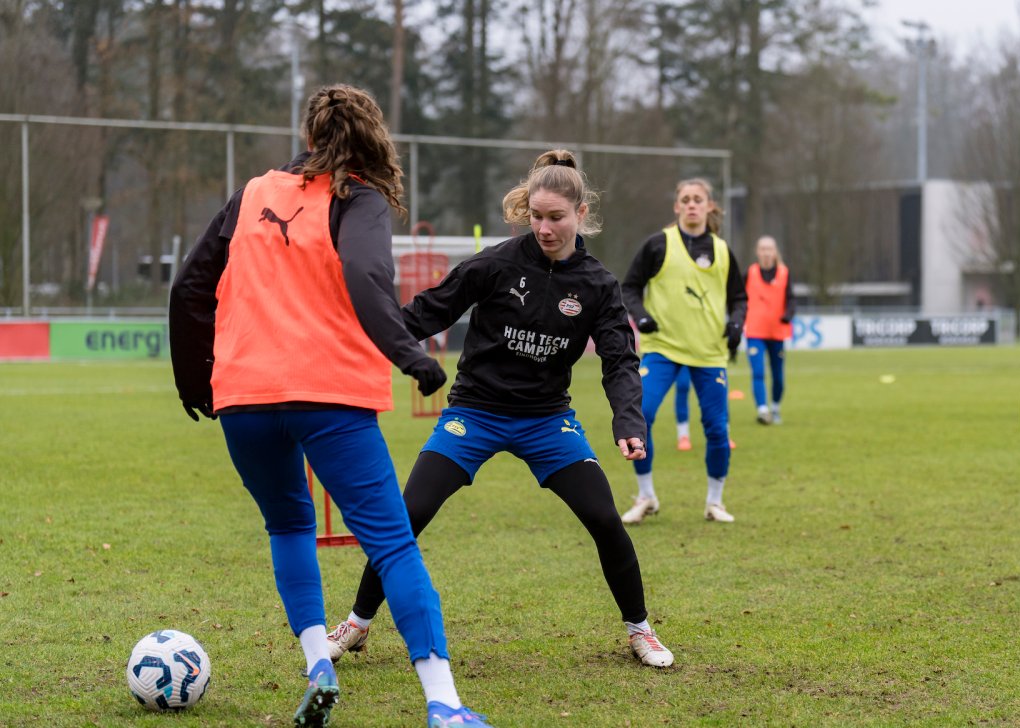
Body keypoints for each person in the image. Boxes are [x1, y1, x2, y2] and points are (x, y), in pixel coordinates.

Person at [169, 84, 490, 728]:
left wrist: (197, 381)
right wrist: (413, 356)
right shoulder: (360, 198)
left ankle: (319, 662)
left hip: (245, 400)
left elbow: (188, 288)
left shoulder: (253, 193)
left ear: (310, 139)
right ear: (371, 141)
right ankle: (444, 704)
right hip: (329, 396)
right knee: (394, 546)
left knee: (288, 526)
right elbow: (368, 278)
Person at [325, 149, 675, 671]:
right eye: (536, 216)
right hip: (475, 413)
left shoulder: (598, 286)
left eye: (556, 217)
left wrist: (628, 420)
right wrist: (365, 336)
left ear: (581, 213)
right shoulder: (496, 263)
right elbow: (429, 310)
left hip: (548, 421)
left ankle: (640, 630)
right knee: (410, 512)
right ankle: (357, 624)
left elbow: (620, 361)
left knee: (604, 517)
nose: (545, 227)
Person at [620, 178, 747, 525]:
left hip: (708, 353)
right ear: (677, 207)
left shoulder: (722, 251)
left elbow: (739, 297)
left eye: (698, 199)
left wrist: (736, 324)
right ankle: (646, 495)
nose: (692, 205)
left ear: (709, 206)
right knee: (641, 417)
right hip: (663, 348)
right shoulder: (658, 244)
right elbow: (630, 286)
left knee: (717, 428)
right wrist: (642, 316)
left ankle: (714, 502)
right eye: (685, 200)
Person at [744, 235, 797, 425]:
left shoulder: (784, 273)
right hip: (755, 332)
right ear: (757, 252)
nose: (766, 252)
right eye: (763, 248)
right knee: (758, 371)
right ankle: (762, 409)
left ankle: (775, 407)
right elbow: (739, 298)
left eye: (769, 249)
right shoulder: (750, 273)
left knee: (778, 377)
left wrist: (788, 314)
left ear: (775, 252)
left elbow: (791, 299)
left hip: (777, 332)